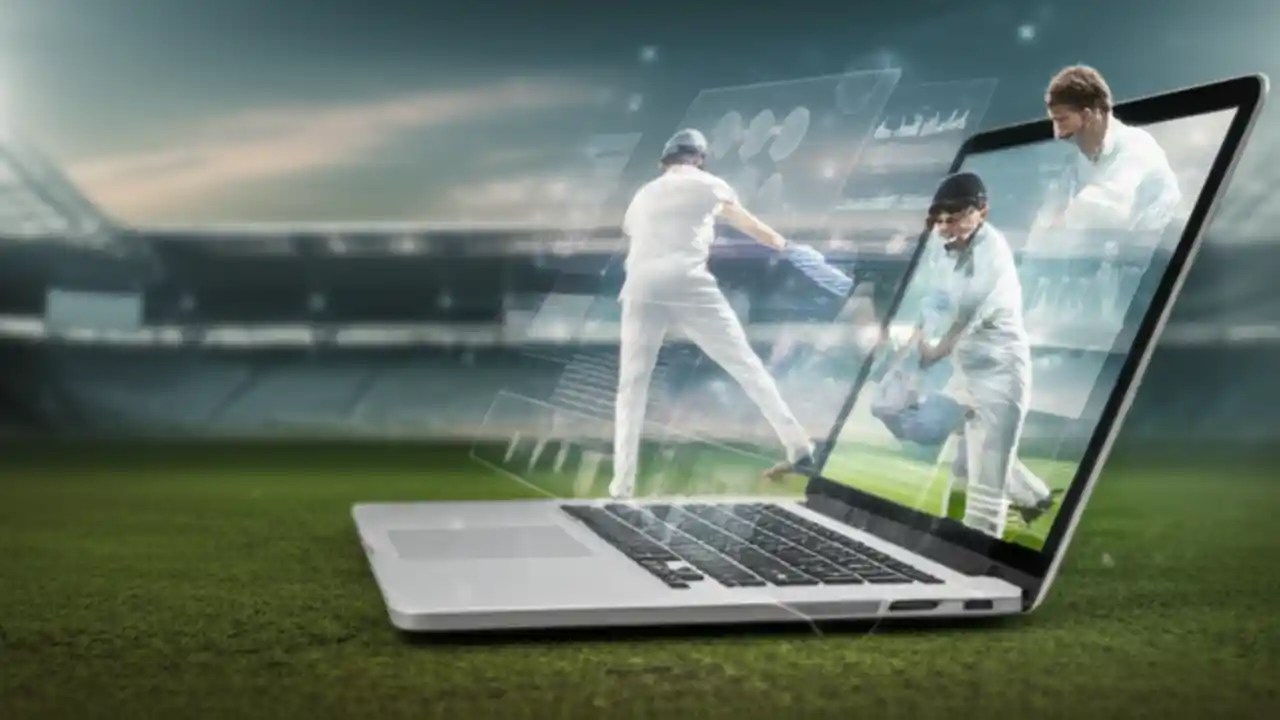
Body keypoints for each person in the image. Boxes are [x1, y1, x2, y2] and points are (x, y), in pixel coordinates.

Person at [609, 128, 814, 499]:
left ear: (664, 161)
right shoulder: (710, 184)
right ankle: (798, 446)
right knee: (744, 364)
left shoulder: (642, 195)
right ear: (699, 158)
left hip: (639, 286)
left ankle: (621, 486)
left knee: (631, 388)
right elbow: (748, 224)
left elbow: (636, 232)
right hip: (687, 281)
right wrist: (787, 246)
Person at [913, 172, 1057, 537]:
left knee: (985, 488)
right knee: (967, 460)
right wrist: (918, 334)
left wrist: (934, 351)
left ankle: (977, 574)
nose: (946, 228)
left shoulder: (992, 252)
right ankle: (1036, 497)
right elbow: (934, 298)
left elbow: (969, 314)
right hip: (966, 373)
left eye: (957, 217)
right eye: (940, 220)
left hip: (1000, 375)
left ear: (982, 212)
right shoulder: (943, 246)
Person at [1033, 65, 1182, 234]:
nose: (1057, 133)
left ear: (1089, 116)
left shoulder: (1136, 147)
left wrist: (1059, 225)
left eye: (1062, 120)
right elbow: (1048, 216)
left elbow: (1108, 209)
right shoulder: (1079, 161)